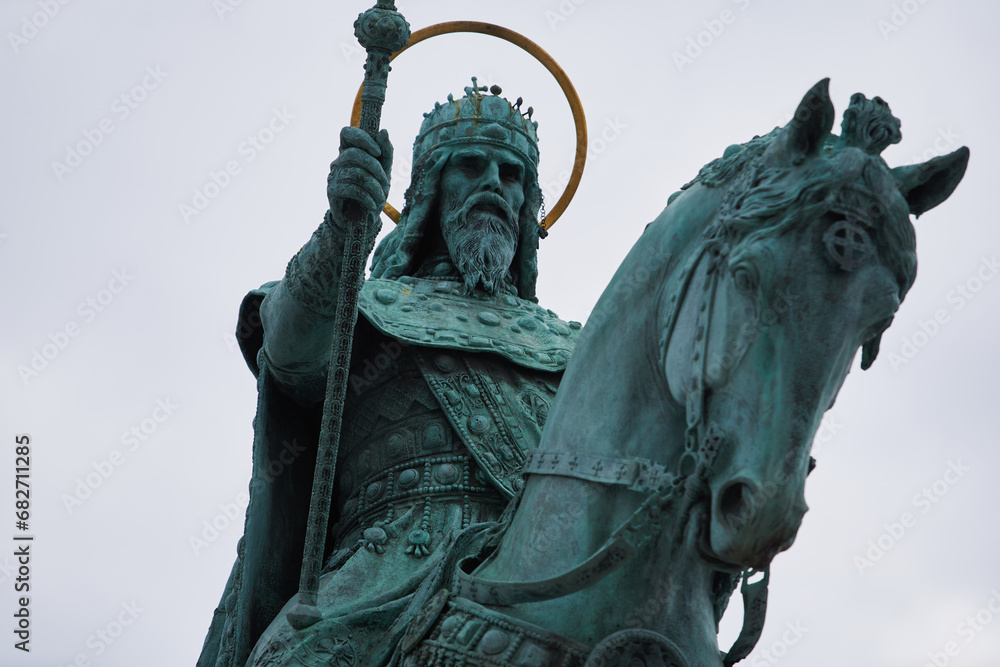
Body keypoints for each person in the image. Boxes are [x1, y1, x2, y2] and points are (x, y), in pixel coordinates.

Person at [198, 79, 581, 667]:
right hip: (385, 574)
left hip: (549, 572)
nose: (493, 185)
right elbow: (292, 351)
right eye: (471, 166)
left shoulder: (573, 346)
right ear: (430, 191)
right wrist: (342, 229)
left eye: (511, 175)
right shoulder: (366, 307)